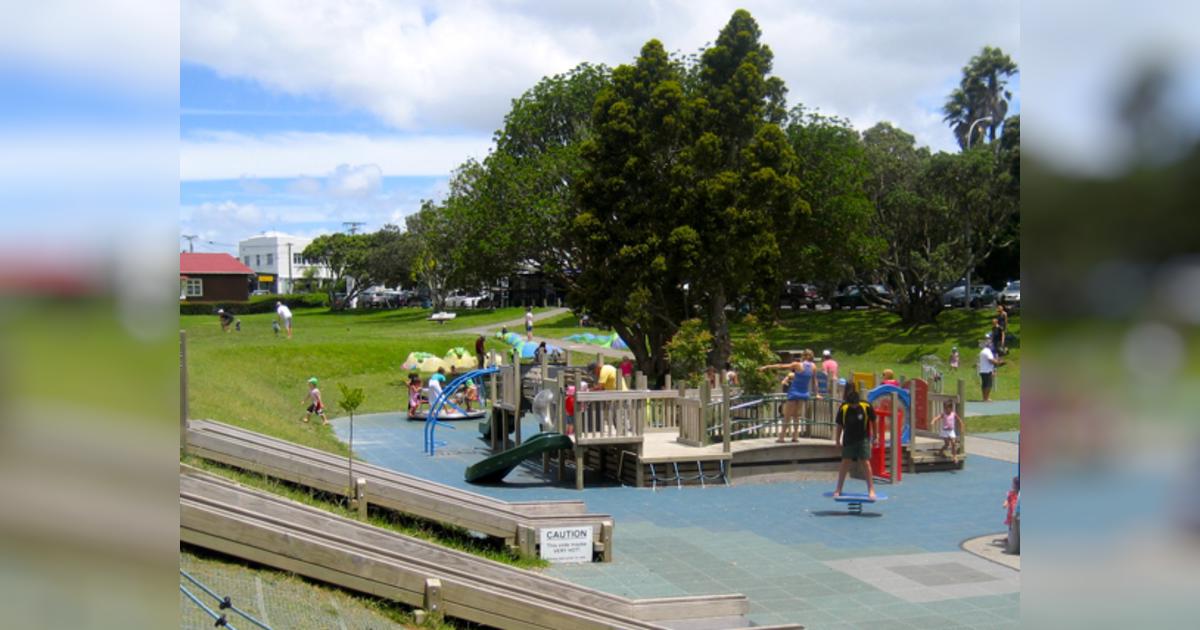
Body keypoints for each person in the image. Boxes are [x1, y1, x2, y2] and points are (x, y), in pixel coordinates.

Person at [758, 350, 817, 443]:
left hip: (794, 392)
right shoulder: (813, 366)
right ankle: (795, 437)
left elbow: (781, 366)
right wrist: (816, 393)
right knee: (797, 415)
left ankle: (781, 437)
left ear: (803, 356)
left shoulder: (797, 365)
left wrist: (767, 366)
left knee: (787, 415)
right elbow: (814, 381)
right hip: (804, 392)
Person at [833, 382, 876, 499]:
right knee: (845, 463)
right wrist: (837, 440)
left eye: (855, 405)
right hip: (849, 439)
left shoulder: (866, 406)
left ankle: (871, 489)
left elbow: (873, 421)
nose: (854, 407)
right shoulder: (844, 408)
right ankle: (838, 488)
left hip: (863, 438)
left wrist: (874, 437)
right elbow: (839, 425)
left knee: (865, 463)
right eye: (852, 405)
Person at [979, 336, 1005, 401]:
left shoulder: (983, 351)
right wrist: (999, 363)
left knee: (984, 385)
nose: (992, 345)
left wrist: (997, 361)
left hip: (983, 370)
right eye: (991, 344)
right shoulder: (988, 351)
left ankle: (984, 398)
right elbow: (991, 360)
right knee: (988, 385)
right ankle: (986, 398)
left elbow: (991, 360)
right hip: (987, 371)